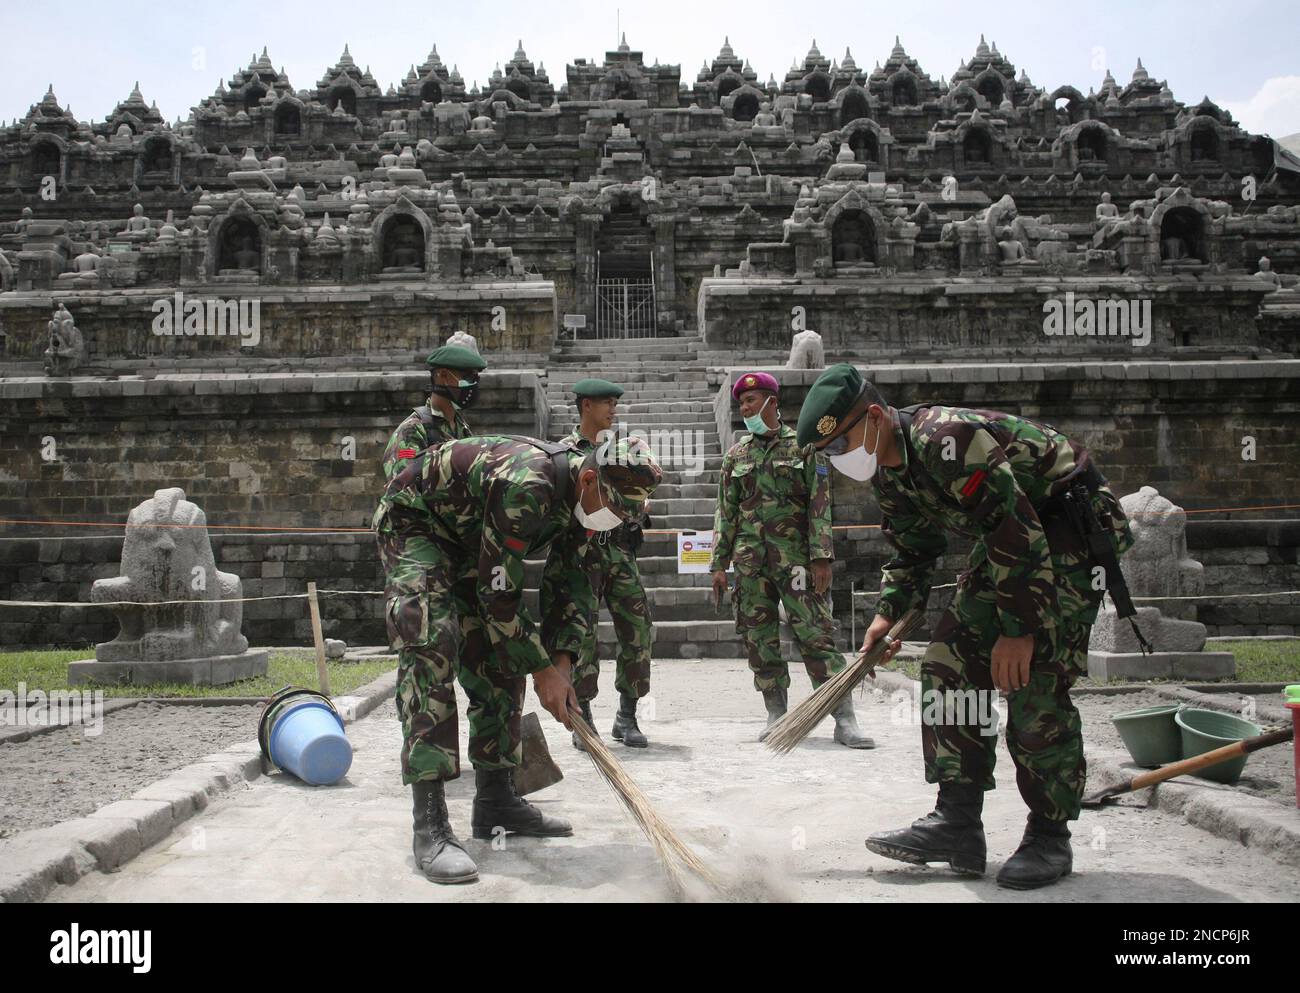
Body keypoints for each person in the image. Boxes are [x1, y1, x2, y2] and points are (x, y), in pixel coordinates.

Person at [797, 363, 1133, 889]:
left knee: (1032, 680)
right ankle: (957, 821)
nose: (839, 459)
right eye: (829, 453)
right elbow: (914, 549)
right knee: (947, 664)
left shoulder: (945, 438)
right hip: (1008, 544)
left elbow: (1013, 524)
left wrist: (1018, 629)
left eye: (841, 444)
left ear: (876, 418)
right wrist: (889, 613)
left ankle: (1050, 835)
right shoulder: (890, 469)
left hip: (1065, 532)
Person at [374, 433, 661, 884]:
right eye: (617, 507)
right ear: (588, 478)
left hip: (475, 541)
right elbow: (498, 593)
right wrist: (543, 669)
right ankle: (429, 824)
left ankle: (496, 802)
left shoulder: (590, 503)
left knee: (501, 656)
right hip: (419, 526)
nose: (617, 518)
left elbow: (572, 586)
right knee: (432, 643)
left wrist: (562, 662)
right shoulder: (529, 483)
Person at [710, 372, 872, 747]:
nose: (745, 408)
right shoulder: (736, 455)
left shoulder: (805, 449)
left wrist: (821, 558)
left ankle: (844, 718)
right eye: (741, 403)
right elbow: (725, 513)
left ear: (771, 401)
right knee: (760, 640)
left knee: (816, 636)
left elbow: (820, 505)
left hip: (797, 563)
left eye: (751, 401)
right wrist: (718, 564)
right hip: (750, 565)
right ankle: (776, 713)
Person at [547, 378, 654, 751]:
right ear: (585, 406)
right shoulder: (560, 452)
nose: (613, 409)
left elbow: (639, 499)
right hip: (579, 555)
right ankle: (584, 715)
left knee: (638, 631)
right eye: (606, 403)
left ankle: (627, 715)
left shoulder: (624, 450)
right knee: (583, 637)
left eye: (615, 403)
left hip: (620, 551)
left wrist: (641, 501)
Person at [382, 344, 485, 481]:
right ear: (443, 375)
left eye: (476, 379)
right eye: (468, 377)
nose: (473, 385)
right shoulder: (413, 430)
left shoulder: (461, 426)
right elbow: (403, 490)